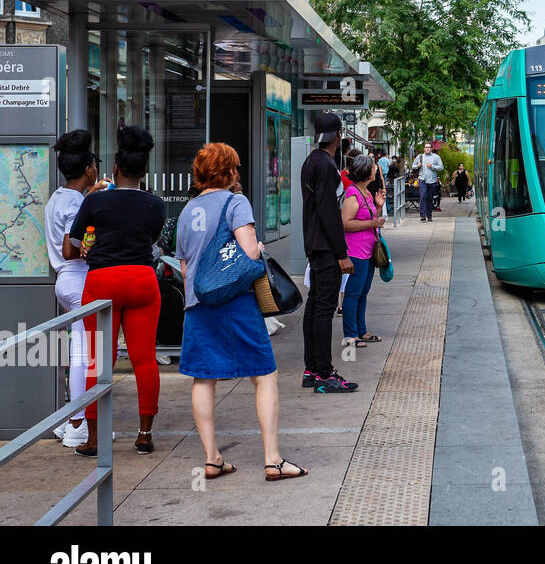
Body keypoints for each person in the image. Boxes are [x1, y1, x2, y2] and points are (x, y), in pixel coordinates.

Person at [176, 143, 307, 481]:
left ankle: (212, 458)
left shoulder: (187, 210)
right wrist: (259, 247)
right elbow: (249, 253)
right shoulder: (236, 202)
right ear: (231, 171)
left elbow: (185, 265)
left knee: (203, 378)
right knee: (264, 375)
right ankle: (273, 460)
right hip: (235, 303)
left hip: (197, 304)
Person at [69, 125, 166, 458]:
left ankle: (95, 438)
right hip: (141, 280)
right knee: (143, 358)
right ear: (144, 171)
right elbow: (151, 240)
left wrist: (90, 245)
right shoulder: (156, 205)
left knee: (99, 358)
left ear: (115, 168)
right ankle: (144, 434)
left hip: (102, 282)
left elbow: (76, 240)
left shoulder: (96, 200)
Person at [44, 130, 107, 449]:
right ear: (88, 169)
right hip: (79, 278)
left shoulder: (60, 196)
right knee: (84, 353)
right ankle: (78, 424)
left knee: (77, 351)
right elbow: (72, 248)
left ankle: (72, 418)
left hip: (65, 280)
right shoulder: (75, 202)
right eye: (94, 163)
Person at [300, 112, 358, 393]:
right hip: (326, 246)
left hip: (314, 243)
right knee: (324, 308)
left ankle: (311, 368)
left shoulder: (312, 161)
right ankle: (324, 373)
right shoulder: (325, 165)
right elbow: (328, 211)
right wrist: (341, 252)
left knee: (314, 306)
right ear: (338, 135)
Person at [341, 155, 386, 348]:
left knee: (363, 292)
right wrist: (372, 222)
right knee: (353, 293)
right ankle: (350, 335)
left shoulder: (366, 192)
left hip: (368, 251)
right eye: (374, 168)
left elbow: (369, 218)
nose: (376, 171)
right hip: (356, 251)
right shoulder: (352, 194)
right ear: (366, 171)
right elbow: (345, 223)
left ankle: (362, 330)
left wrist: (377, 206)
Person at [414, 140, 444, 221]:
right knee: (423, 196)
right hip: (422, 179)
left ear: (431, 148)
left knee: (430, 198)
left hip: (432, 181)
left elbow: (441, 167)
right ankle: (423, 216)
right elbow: (413, 167)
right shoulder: (420, 156)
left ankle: (429, 215)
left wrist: (432, 166)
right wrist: (417, 165)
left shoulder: (436, 157)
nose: (427, 149)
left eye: (429, 147)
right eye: (426, 147)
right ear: (424, 148)